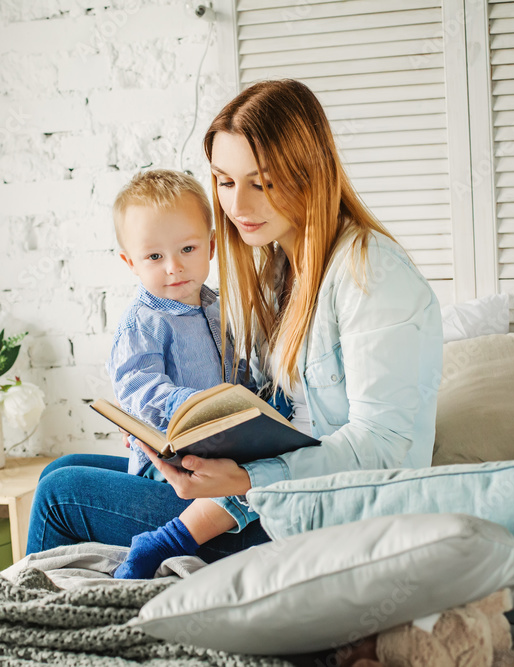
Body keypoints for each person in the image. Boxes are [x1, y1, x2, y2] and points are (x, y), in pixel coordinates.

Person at [26, 79, 443, 578]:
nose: (239, 205)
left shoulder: (370, 271)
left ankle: (33, 630)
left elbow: (383, 448)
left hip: (321, 514)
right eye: (225, 181)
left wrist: (243, 479)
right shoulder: (277, 273)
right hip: (268, 494)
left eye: (261, 181)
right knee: (60, 468)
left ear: (309, 173)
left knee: (58, 494)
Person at [106, 169, 252, 483]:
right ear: (131, 263)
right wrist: (202, 407)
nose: (174, 268)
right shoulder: (143, 323)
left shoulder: (217, 308)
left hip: (223, 455)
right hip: (167, 467)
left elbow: (235, 371)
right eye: (154, 256)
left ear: (211, 246)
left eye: (187, 249)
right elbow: (139, 391)